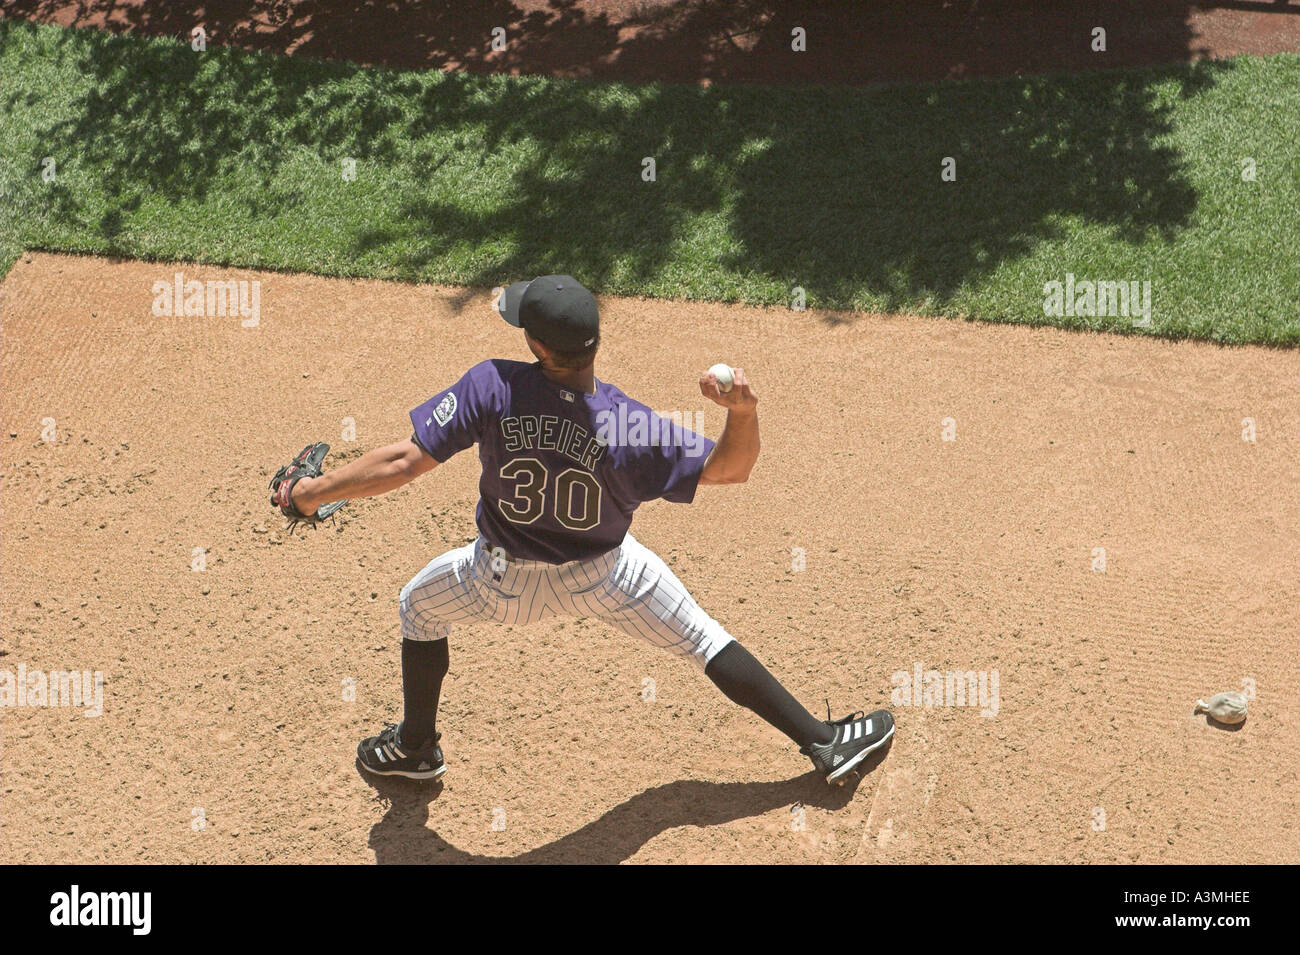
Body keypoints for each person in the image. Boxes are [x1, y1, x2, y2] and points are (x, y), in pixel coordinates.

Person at [283, 275, 894, 786]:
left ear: (535, 345)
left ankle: (415, 747)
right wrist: (743, 413)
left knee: (418, 605)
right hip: (605, 577)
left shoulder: (494, 385)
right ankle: (823, 743)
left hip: (494, 581)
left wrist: (310, 492)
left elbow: (403, 462)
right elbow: (732, 469)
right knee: (703, 639)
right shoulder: (629, 425)